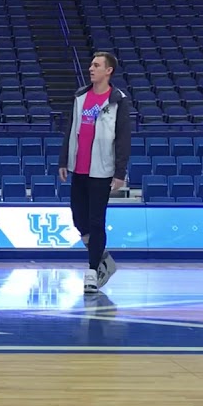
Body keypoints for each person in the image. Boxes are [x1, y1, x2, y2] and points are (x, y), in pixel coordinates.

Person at [59, 52, 132, 293]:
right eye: (91, 64)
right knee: (79, 219)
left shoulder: (118, 100)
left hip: (102, 170)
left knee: (95, 220)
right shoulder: (80, 96)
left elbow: (123, 138)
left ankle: (92, 271)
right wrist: (63, 161)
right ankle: (103, 258)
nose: (91, 68)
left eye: (96, 65)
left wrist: (120, 172)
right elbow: (70, 129)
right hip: (78, 168)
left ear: (108, 71)